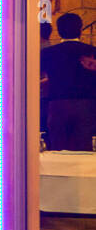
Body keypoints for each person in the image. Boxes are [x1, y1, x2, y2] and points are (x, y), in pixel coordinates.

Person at [40, 11, 96, 151]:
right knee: (84, 148)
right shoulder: (91, 51)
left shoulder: (48, 53)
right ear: (80, 29)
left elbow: (38, 74)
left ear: (59, 30)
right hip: (86, 105)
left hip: (57, 104)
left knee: (58, 146)